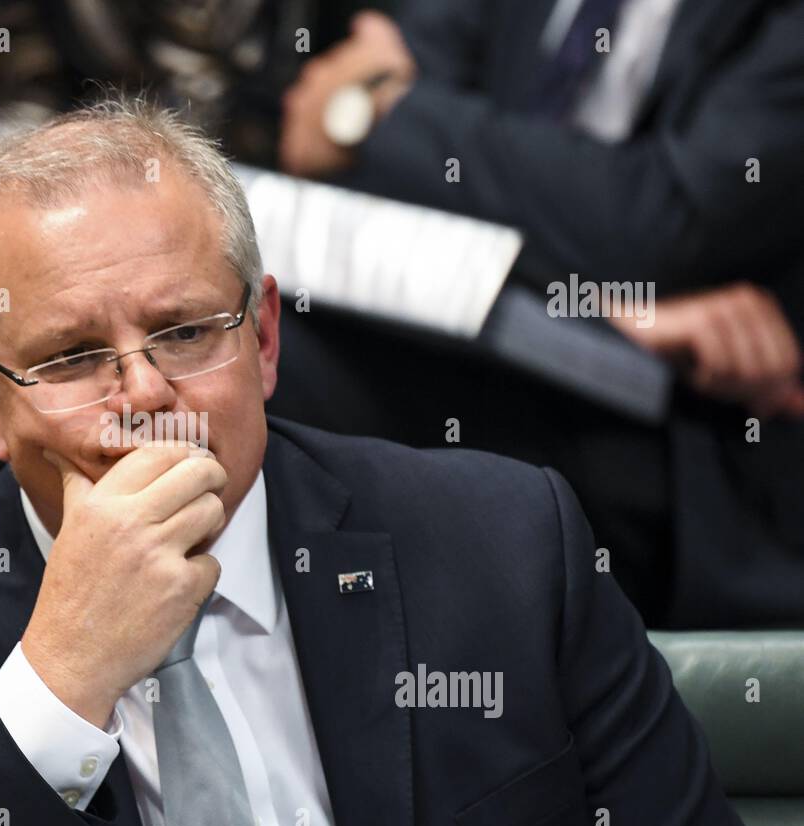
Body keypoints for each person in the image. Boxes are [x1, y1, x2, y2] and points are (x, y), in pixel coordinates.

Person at [0, 97, 757, 826]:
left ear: (265, 338)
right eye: (69, 357)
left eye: (185, 331)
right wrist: (57, 681)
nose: (145, 392)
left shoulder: (504, 542)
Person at [275, 1, 804, 626]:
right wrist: (602, 306)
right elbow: (320, 135)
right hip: (488, 346)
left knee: (280, 386)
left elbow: (666, 223)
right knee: (246, 359)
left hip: (692, 441)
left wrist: (392, 111)